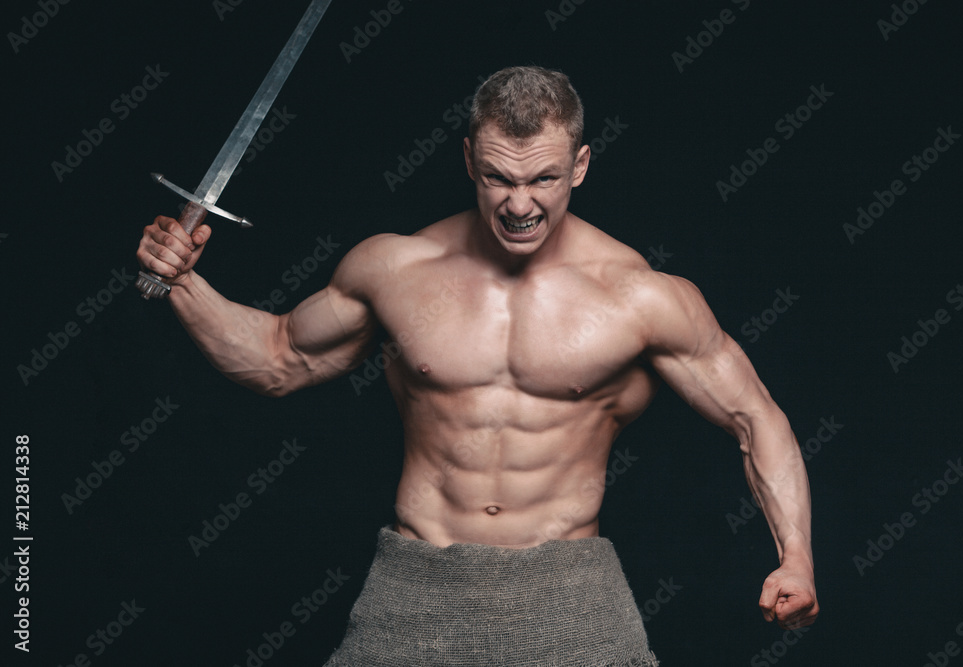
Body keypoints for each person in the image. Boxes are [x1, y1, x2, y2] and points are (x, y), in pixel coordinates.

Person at [137, 66, 818, 666]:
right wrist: (183, 285)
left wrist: (797, 556)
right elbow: (279, 357)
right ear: (468, 160)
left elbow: (755, 417)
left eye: (543, 178)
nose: (520, 205)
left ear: (580, 165)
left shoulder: (640, 297)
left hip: (570, 590)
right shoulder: (396, 269)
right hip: (416, 583)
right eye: (499, 177)